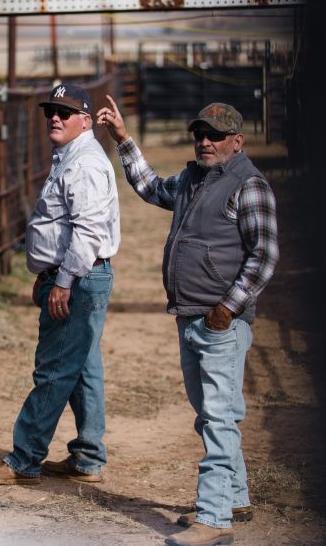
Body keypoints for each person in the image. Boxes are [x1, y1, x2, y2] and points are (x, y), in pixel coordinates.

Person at [97, 97, 278, 546]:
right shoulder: (192, 179)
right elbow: (151, 187)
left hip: (219, 321)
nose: (204, 142)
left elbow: (265, 255)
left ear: (237, 141)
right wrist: (123, 140)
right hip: (191, 316)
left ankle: (215, 518)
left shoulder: (249, 184)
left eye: (215, 135)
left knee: (217, 418)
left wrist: (228, 308)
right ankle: (234, 496)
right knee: (213, 414)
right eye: (200, 133)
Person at [0, 84, 121, 486]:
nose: (55, 118)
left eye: (65, 112)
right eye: (50, 111)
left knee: (53, 370)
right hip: (79, 277)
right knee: (84, 369)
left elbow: (88, 231)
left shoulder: (84, 163)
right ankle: (88, 458)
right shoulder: (72, 156)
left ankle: (24, 459)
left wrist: (65, 281)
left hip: (77, 278)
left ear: (85, 121)